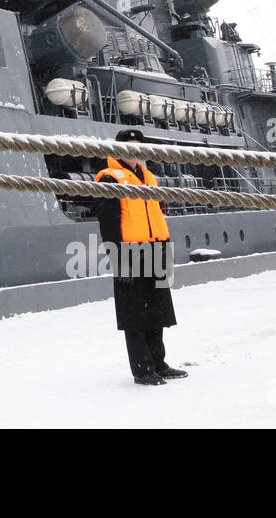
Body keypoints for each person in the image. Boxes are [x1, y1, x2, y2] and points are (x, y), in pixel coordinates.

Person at [95, 128, 187, 386]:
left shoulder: (148, 178)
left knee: (156, 311)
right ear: (119, 148)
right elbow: (109, 224)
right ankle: (142, 369)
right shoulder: (110, 178)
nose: (135, 149)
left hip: (156, 247)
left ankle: (158, 363)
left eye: (138, 144)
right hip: (130, 251)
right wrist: (119, 259)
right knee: (135, 315)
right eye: (129, 144)